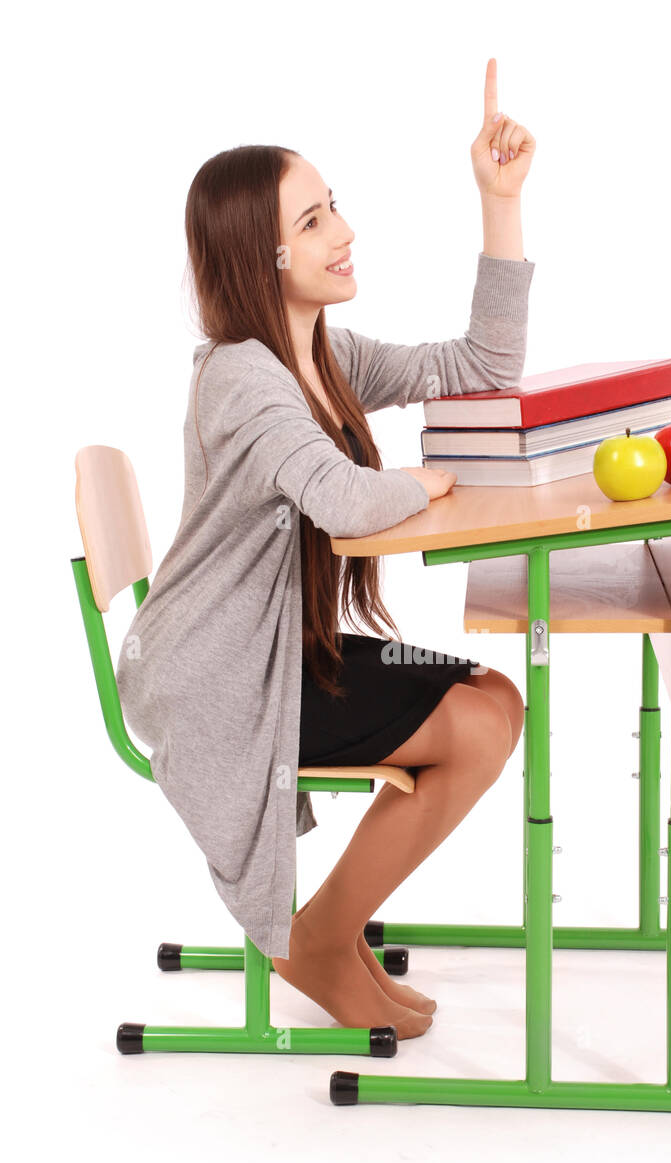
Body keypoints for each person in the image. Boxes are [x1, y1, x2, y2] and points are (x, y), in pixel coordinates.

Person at [116, 58, 536, 1041]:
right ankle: (318, 938)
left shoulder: (322, 352)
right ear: (259, 256)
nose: (343, 233)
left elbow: (479, 368)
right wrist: (423, 484)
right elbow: (342, 496)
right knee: (477, 728)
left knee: (494, 701)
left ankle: (332, 934)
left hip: (266, 658)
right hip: (222, 678)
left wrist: (499, 203)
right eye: (311, 223)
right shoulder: (243, 377)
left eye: (332, 207)